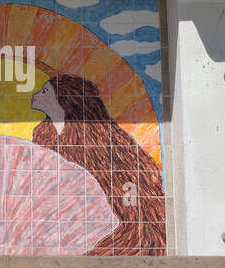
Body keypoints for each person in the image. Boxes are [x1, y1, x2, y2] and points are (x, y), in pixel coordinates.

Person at [31, 74, 167, 256]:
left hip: (117, 212)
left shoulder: (100, 136)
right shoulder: (43, 133)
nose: (36, 95)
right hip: (72, 212)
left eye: (45, 91)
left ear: (66, 99)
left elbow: (134, 175)